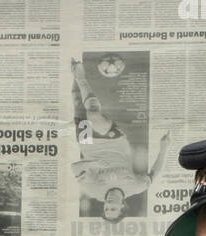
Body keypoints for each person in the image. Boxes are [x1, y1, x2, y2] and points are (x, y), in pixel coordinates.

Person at [70, 58, 171, 221]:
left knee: (77, 104)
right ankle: (81, 77)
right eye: (113, 208)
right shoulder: (136, 186)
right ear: (123, 205)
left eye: (107, 208)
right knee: (93, 114)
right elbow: (154, 174)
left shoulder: (94, 191)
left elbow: (75, 168)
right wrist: (164, 148)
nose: (108, 204)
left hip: (87, 143)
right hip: (115, 142)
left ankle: (73, 70)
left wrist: (92, 164)